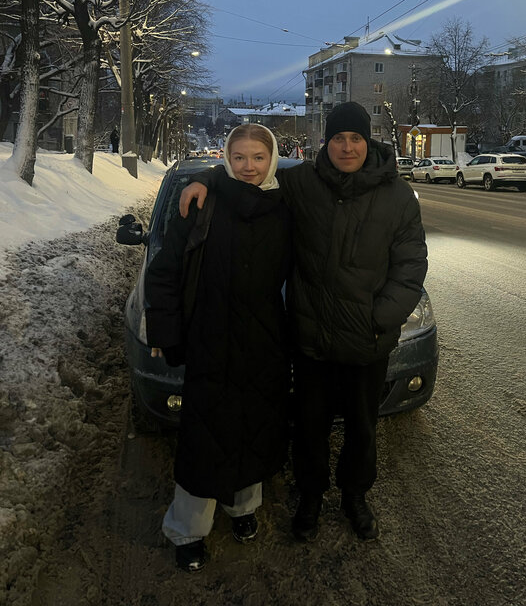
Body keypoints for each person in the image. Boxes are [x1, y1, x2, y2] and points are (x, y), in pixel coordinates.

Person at [179, 102, 428, 543]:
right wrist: (207, 178)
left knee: (362, 428)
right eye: (338, 138)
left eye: (355, 138)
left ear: (368, 142)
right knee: (310, 427)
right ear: (326, 143)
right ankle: (310, 496)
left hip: (366, 340)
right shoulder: (301, 183)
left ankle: (355, 496)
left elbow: (411, 266)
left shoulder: (398, 195)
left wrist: (382, 318)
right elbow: (249, 175)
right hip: (311, 339)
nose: (347, 147)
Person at [145, 124, 292, 573]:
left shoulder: (284, 205)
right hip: (211, 338)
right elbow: (166, 269)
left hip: (264, 341)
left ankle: (242, 507)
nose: (249, 167)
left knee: (254, 427)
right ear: (226, 158)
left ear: (272, 160)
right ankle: (188, 530)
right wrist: (164, 330)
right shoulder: (202, 203)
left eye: (258, 157)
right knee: (205, 437)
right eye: (239, 157)